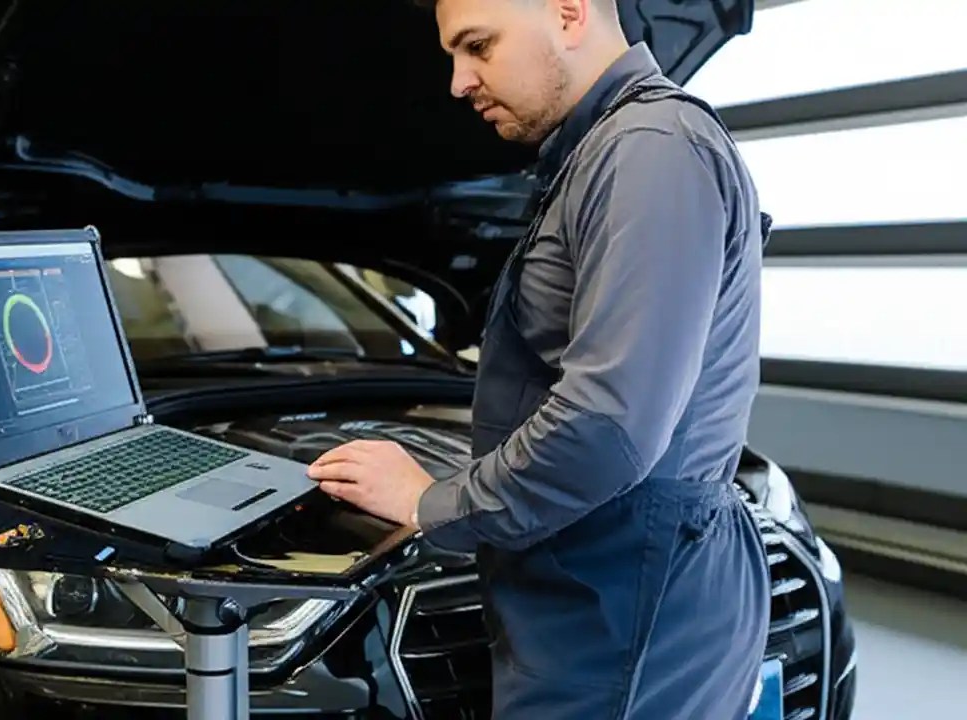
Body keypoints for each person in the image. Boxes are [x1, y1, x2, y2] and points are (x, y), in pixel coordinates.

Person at [306, 0, 773, 717]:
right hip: (608, 585)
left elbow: (607, 427)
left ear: (569, 12)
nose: (458, 82)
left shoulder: (650, 150)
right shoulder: (606, 152)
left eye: (478, 46)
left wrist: (429, 503)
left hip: (626, 600)